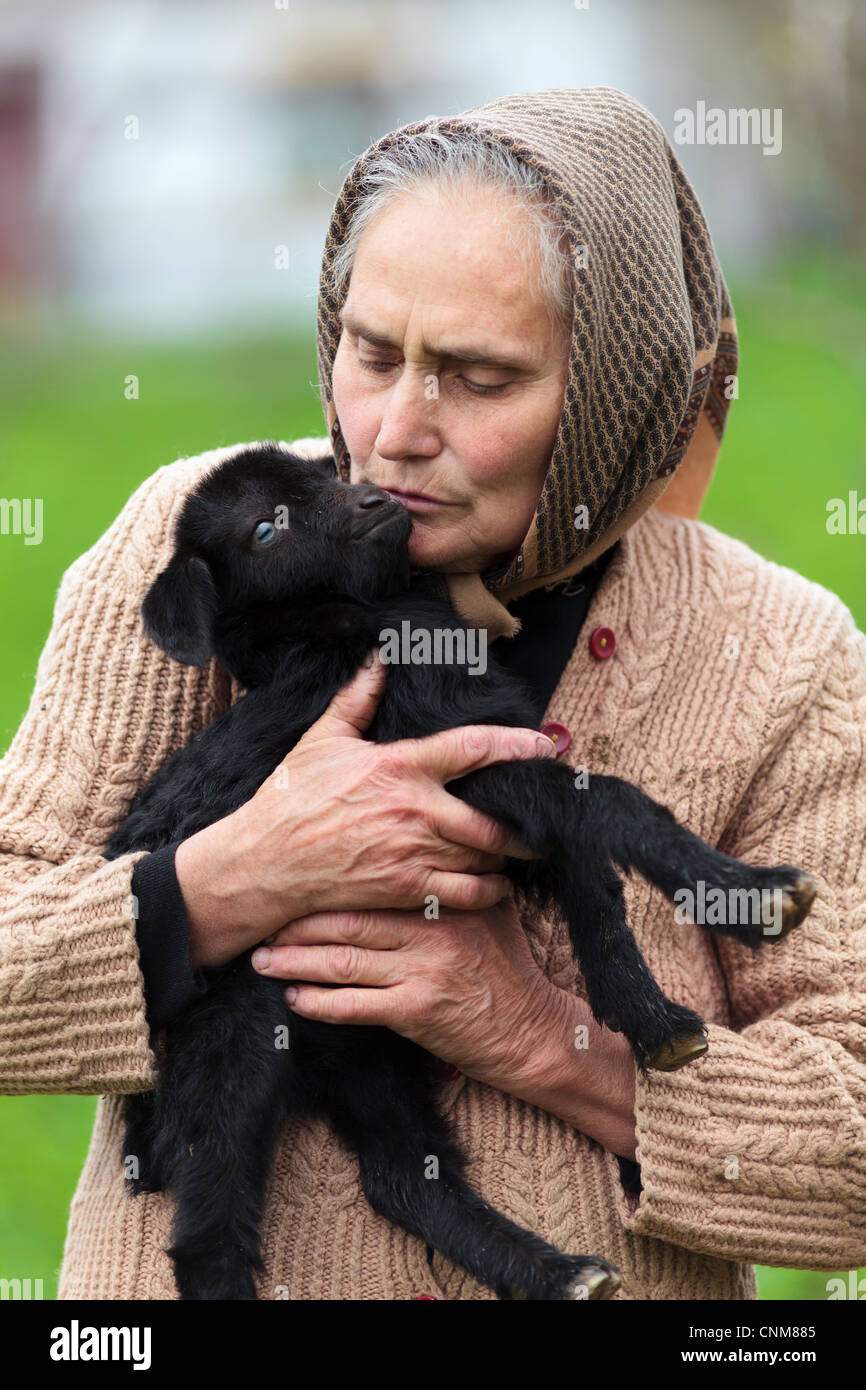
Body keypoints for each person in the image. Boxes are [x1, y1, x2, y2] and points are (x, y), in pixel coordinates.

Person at [1, 87, 864, 1301]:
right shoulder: (198, 545)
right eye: (370, 352)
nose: (394, 432)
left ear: (610, 389)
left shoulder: (777, 654)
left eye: (476, 376)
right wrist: (231, 878)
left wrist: (535, 1034)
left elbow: (854, 1151)